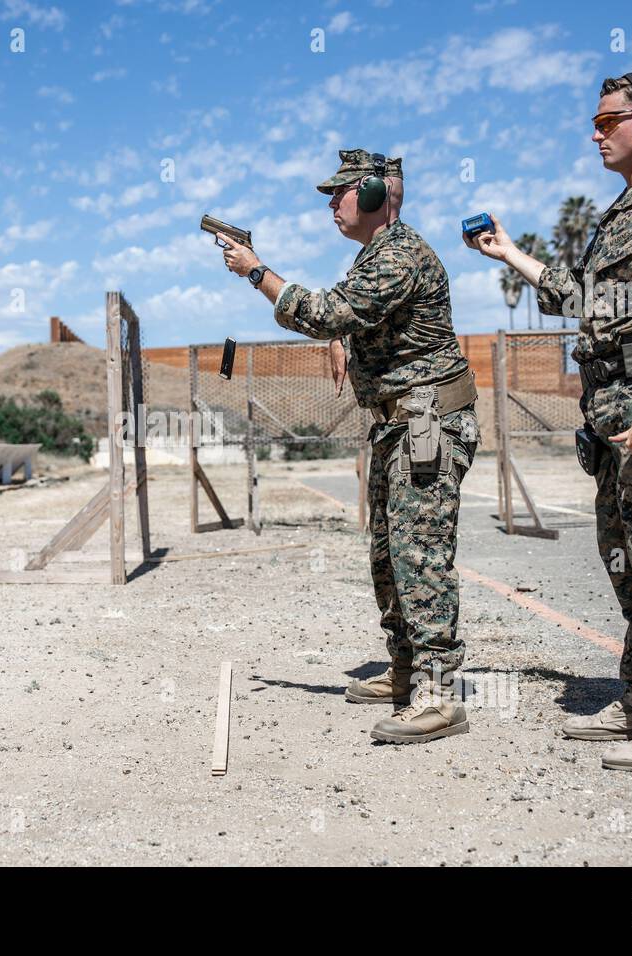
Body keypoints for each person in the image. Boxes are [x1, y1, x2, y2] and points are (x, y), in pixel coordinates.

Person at [465, 71, 632, 772]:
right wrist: (511, 254)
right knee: (630, 567)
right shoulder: (626, 211)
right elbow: (586, 300)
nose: (595, 132)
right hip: (614, 425)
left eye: (607, 120)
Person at [216, 149, 479, 745]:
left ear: (370, 196)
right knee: (388, 555)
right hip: (400, 425)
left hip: (426, 422)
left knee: (420, 557)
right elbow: (352, 319)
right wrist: (345, 338)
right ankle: (408, 671)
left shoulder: (398, 254)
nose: (332, 205)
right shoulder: (375, 258)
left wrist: (257, 272)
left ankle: (442, 694)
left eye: (339, 194)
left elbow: (322, 311)